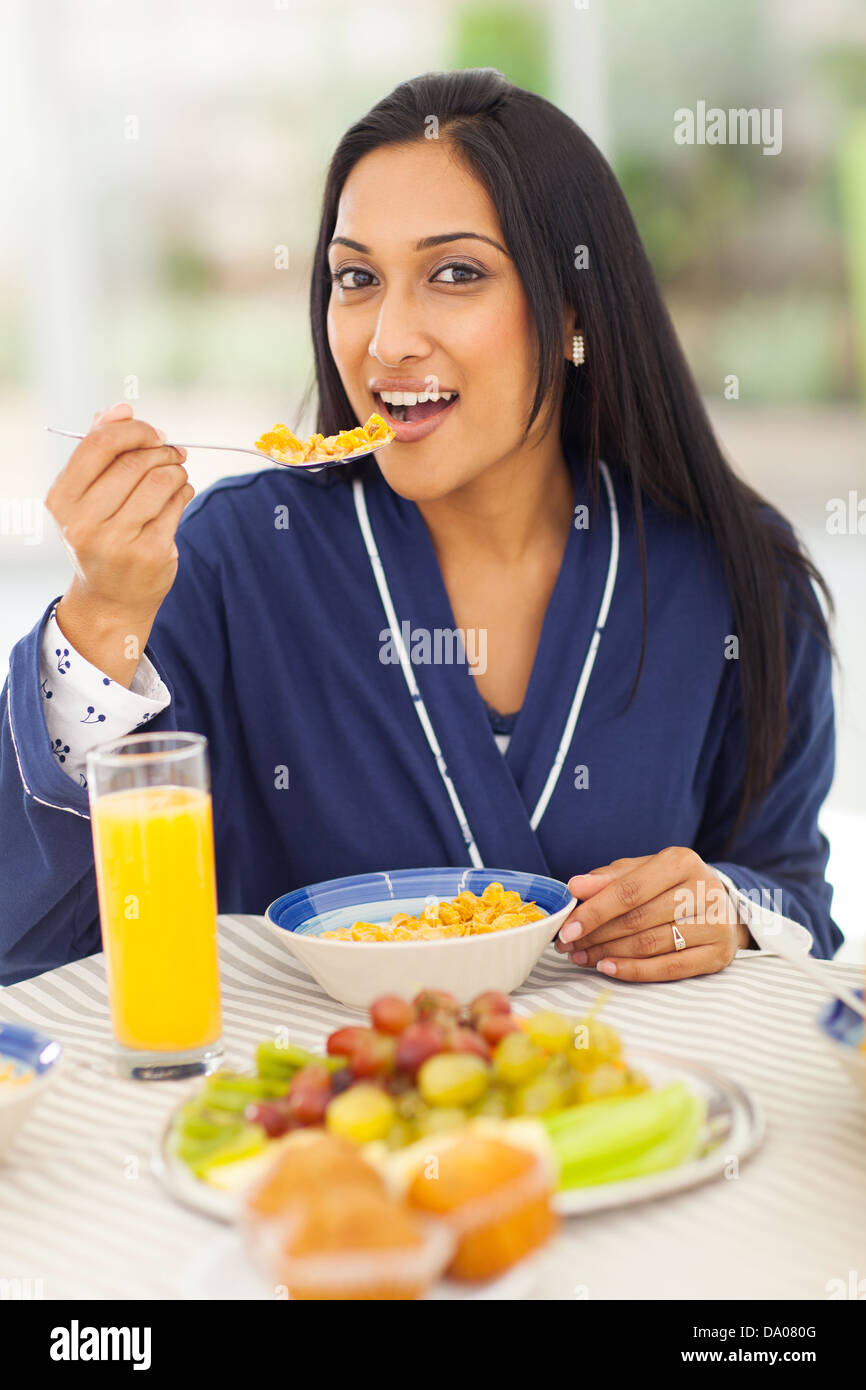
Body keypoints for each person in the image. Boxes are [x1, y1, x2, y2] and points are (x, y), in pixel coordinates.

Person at [0, 69, 841, 986]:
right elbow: (33, 938)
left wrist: (726, 909)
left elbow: (795, 902)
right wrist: (103, 619)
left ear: (571, 313)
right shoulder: (229, 563)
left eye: (454, 273)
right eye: (356, 278)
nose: (387, 339)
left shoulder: (736, 576)